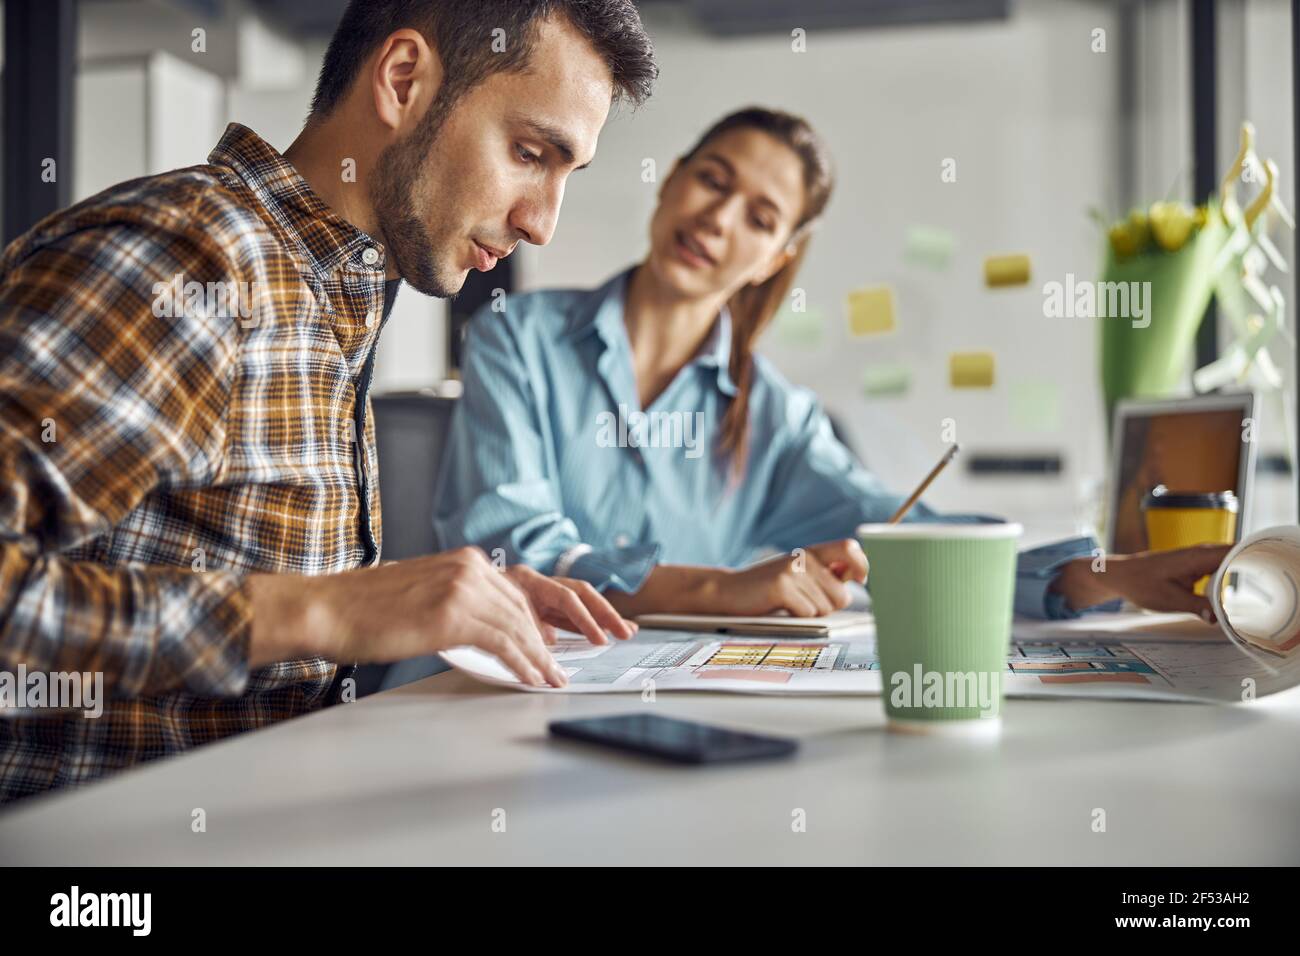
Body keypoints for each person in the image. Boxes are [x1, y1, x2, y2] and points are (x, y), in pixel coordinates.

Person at [0, 0, 657, 804]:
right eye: (528, 153)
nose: (542, 222)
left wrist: (431, 603)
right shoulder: (189, 262)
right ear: (403, 79)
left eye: (566, 174)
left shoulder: (335, 295)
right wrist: (318, 613)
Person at [435, 107, 1231, 622]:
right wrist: (719, 589)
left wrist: (1101, 573)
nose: (716, 219)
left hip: (632, 707)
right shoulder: (517, 335)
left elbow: (912, 536)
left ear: (772, 259)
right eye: (711, 180)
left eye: (758, 217)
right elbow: (512, 548)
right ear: (670, 181)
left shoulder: (776, 420)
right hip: (474, 692)